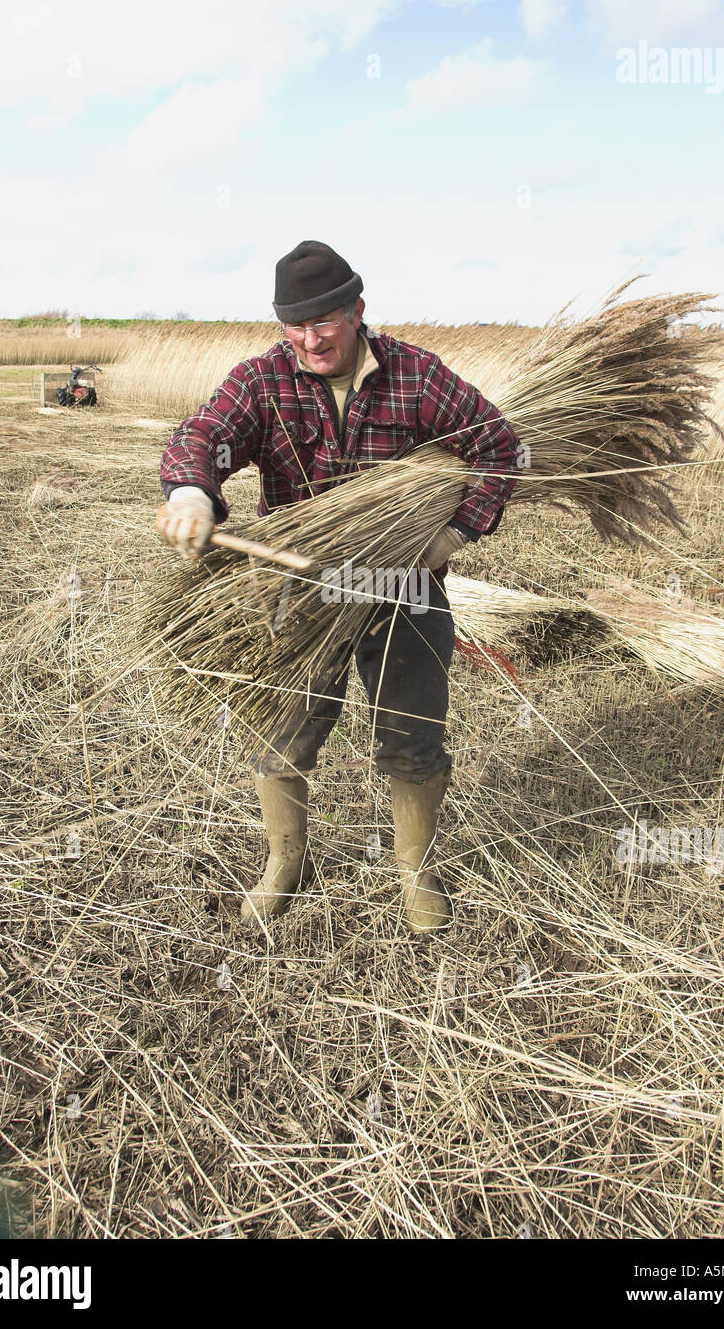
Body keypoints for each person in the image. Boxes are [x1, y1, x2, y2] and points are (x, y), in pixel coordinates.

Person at [157, 240, 518, 932]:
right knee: (281, 728)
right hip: (300, 582)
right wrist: (192, 495)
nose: (310, 338)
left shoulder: (414, 374)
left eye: (324, 320)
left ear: (356, 310)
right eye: (294, 324)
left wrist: (455, 535)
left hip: (400, 582)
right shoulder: (263, 379)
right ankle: (285, 860)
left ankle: (415, 868)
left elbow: (498, 447)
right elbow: (202, 436)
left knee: (411, 731)